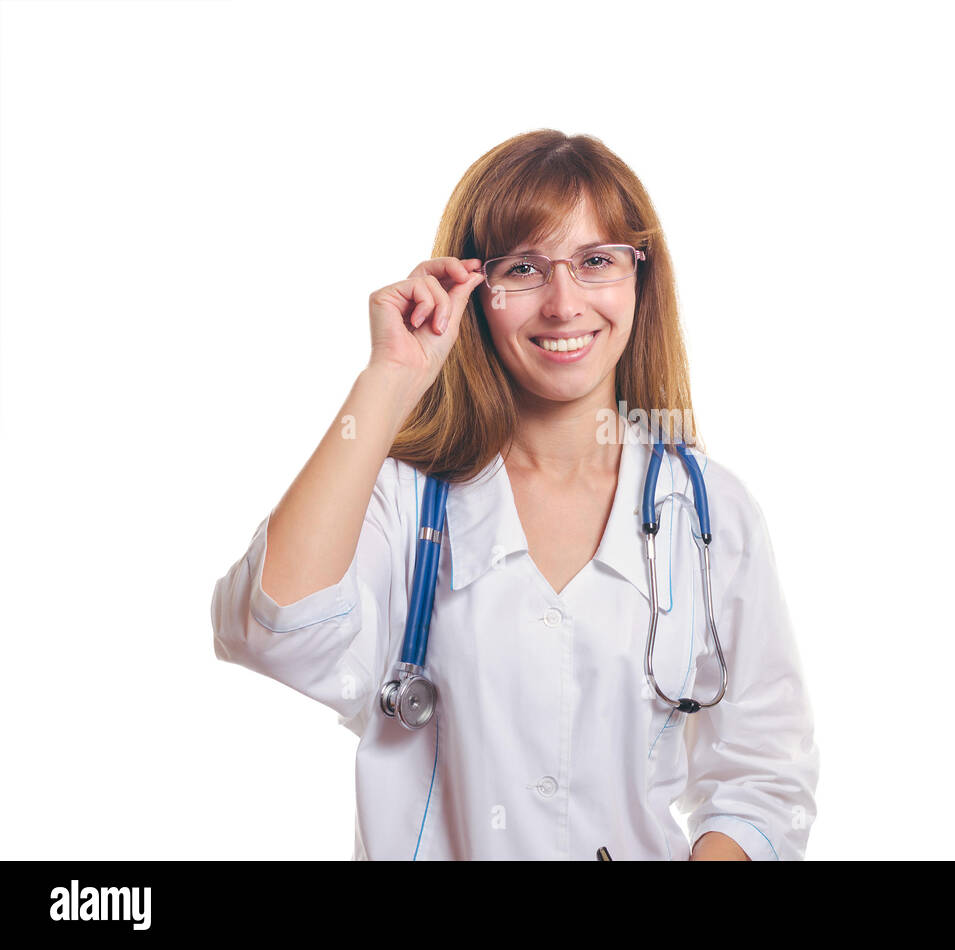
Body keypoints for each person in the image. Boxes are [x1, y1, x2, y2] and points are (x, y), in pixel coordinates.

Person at [210, 129, 819, 860]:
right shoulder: (403, 501)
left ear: (638, 281)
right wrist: (389, 379)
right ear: (473, 289)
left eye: (596, 262)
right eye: (524, 268)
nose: (564, 304)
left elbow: (762, 779)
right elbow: (268, 628)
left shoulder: (710, 512)